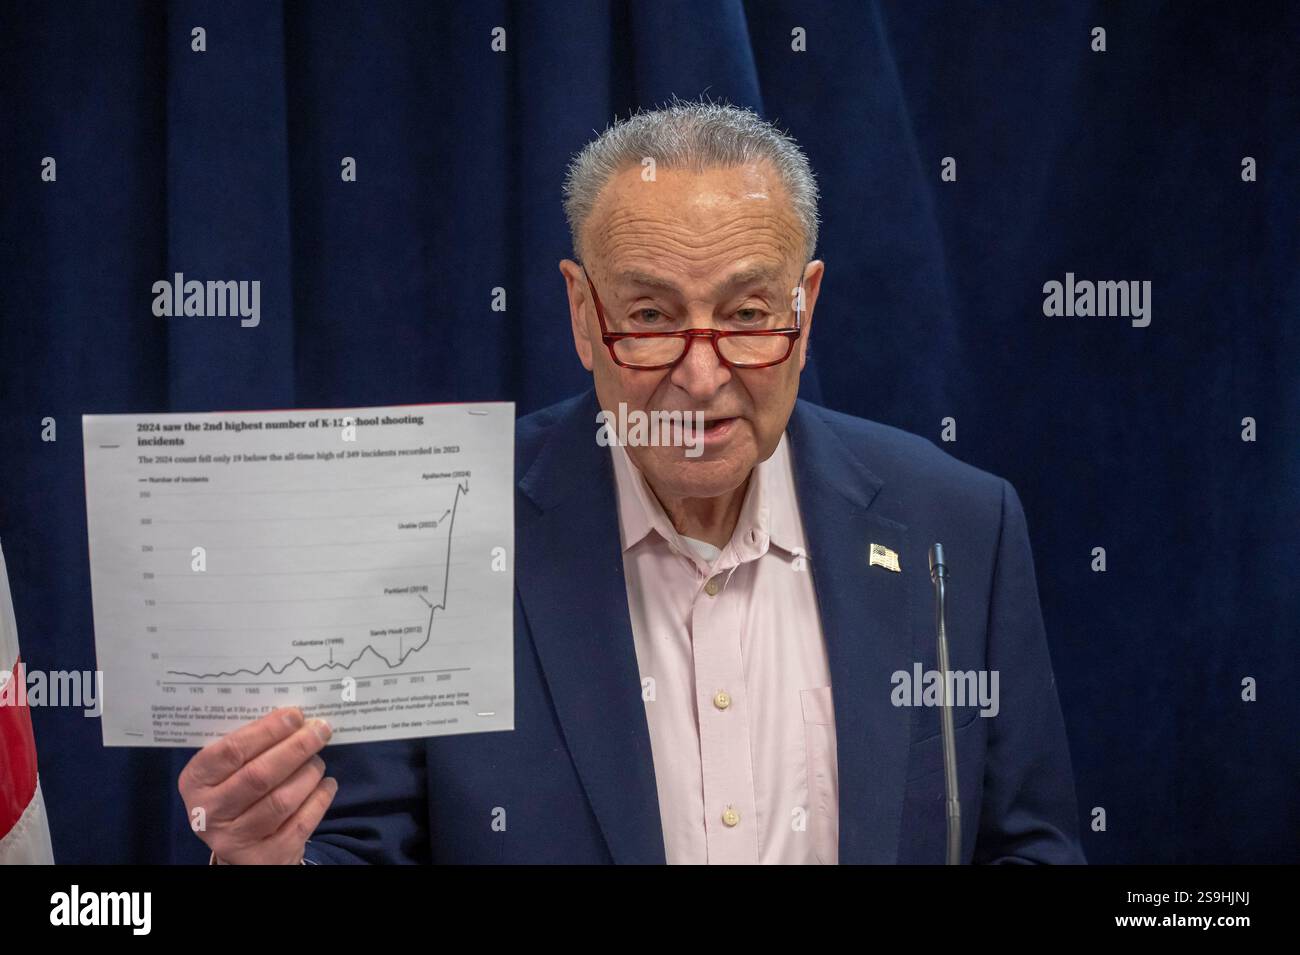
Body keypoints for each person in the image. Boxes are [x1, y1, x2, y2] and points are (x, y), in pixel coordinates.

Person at [179, 101, 1085, 864]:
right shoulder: (434, 537)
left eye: (747, 314)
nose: (701, 375)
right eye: (650, 317)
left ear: (803, 312)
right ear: (584, 314)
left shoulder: (959, 527)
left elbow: (1031, 847)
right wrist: (261, 860)